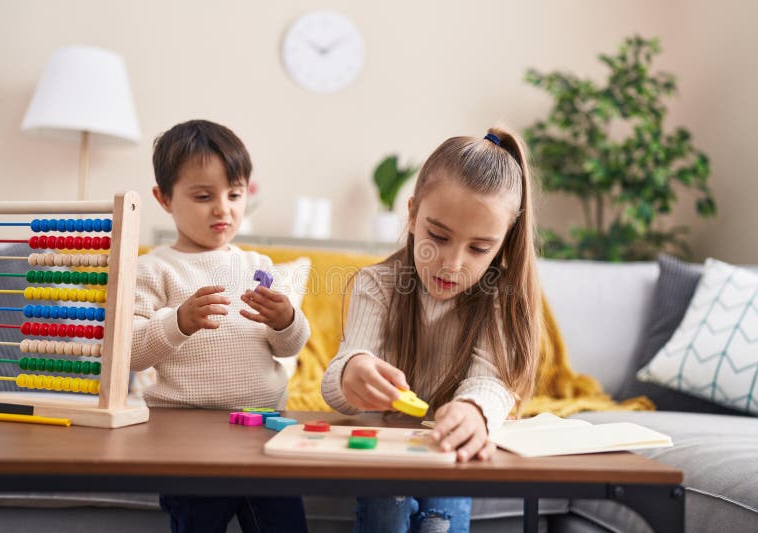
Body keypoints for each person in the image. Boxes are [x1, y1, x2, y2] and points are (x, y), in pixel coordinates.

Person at [321, 127, 542, 533]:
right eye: (437, 236)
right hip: (385, 450)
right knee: (386, 509)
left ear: (503, 241)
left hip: (448, 453)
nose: (451, 264)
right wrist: (352, 372)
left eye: (479, 248)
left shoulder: (500, 297)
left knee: (442, 516)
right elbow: (342, 374)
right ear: (411, 213)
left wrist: (475, 411)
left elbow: (493, 382)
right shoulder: (377, 285)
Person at [132, 119, 310, 533]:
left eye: (234, 194)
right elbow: (133, 354)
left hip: (265, 432)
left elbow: (288, 347)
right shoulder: (153, 269)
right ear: (163, 198)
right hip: (185, 437)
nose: (223, 209)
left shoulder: (259, 267)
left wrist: (286, 320)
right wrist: (177, 322)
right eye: (202, 196)